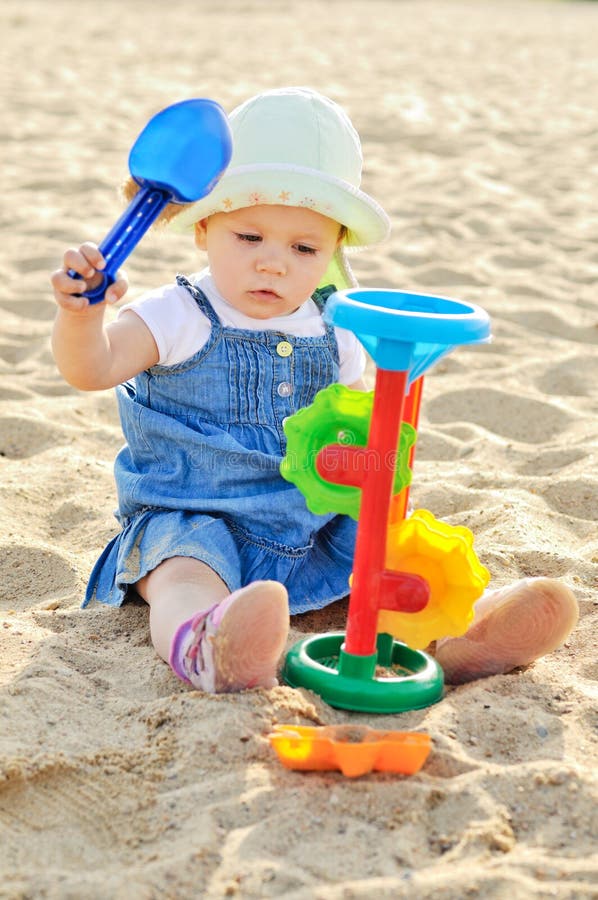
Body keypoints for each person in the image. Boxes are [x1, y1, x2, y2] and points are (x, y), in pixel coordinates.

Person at [50, 87, 578, 693]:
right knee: (183, 572)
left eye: (304, 247)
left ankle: (464, 635)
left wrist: (376, 464)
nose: (273, 263)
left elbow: (353, 428)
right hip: (193, 513)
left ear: (333, 249)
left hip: (310, 523)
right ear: (204, 229)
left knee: (389, 551)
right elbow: (91, 368)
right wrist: (80, 318)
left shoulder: (338, 325)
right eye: (249, 237)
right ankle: (205, 643)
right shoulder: (180, 314)